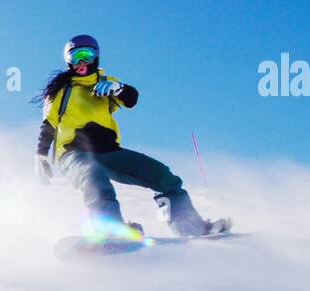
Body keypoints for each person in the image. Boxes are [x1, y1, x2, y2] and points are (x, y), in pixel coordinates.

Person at [34, 34, 229, 238]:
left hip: (108, 151)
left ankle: (190, 226)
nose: (81, 62)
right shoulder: (59, 91)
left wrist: (117, 89)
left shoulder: (106, 82)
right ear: (68, 61)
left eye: (87, 55)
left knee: (163, 176)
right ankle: (109, 231)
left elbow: (131, 99)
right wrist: (41, 155)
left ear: (96, 57)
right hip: (72, 152)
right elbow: (48, 124)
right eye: (75, 57)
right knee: (93, 177)